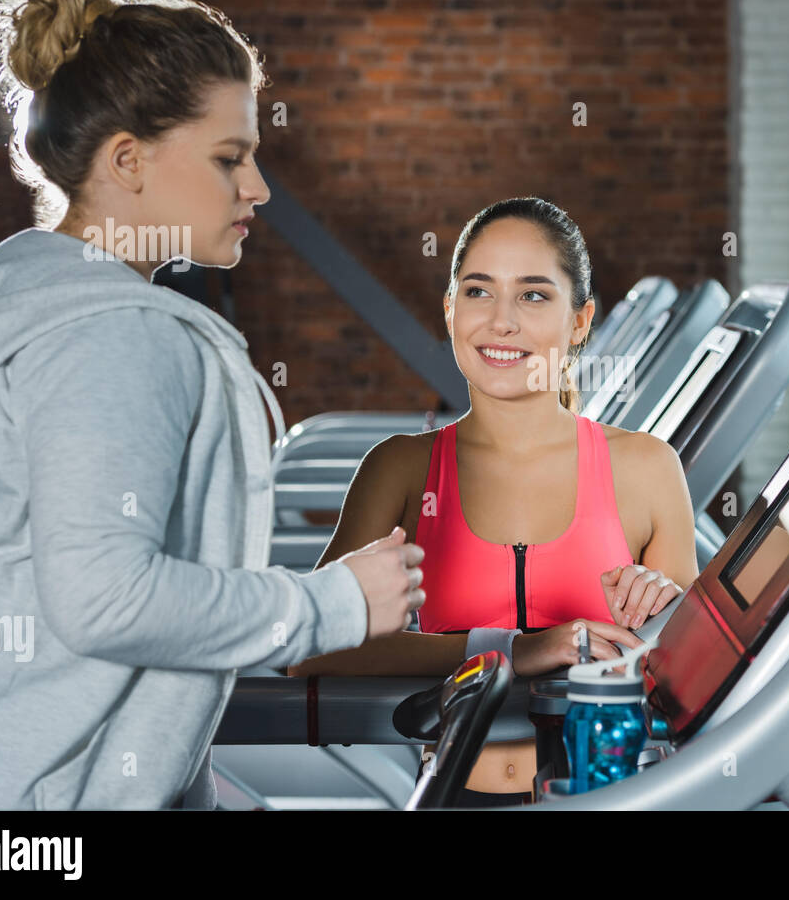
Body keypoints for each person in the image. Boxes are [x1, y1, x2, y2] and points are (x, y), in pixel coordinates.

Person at [0, 0, 423, 810]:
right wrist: (330, 606)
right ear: (128, 163)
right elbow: (104, 601)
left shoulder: (14, 291)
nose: (258, 187)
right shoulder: (121, 335)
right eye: (230, 158)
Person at [290, 197, 700, 806]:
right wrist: (519, 649)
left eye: (534, 295)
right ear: (451, 310)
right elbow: (313, 648)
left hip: (607, 797)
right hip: (458, 796)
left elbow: (695, 680)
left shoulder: (645, 467)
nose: (501, 322)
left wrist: (666, 614)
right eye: (479, 292)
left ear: (580, 320)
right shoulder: (399, 469)